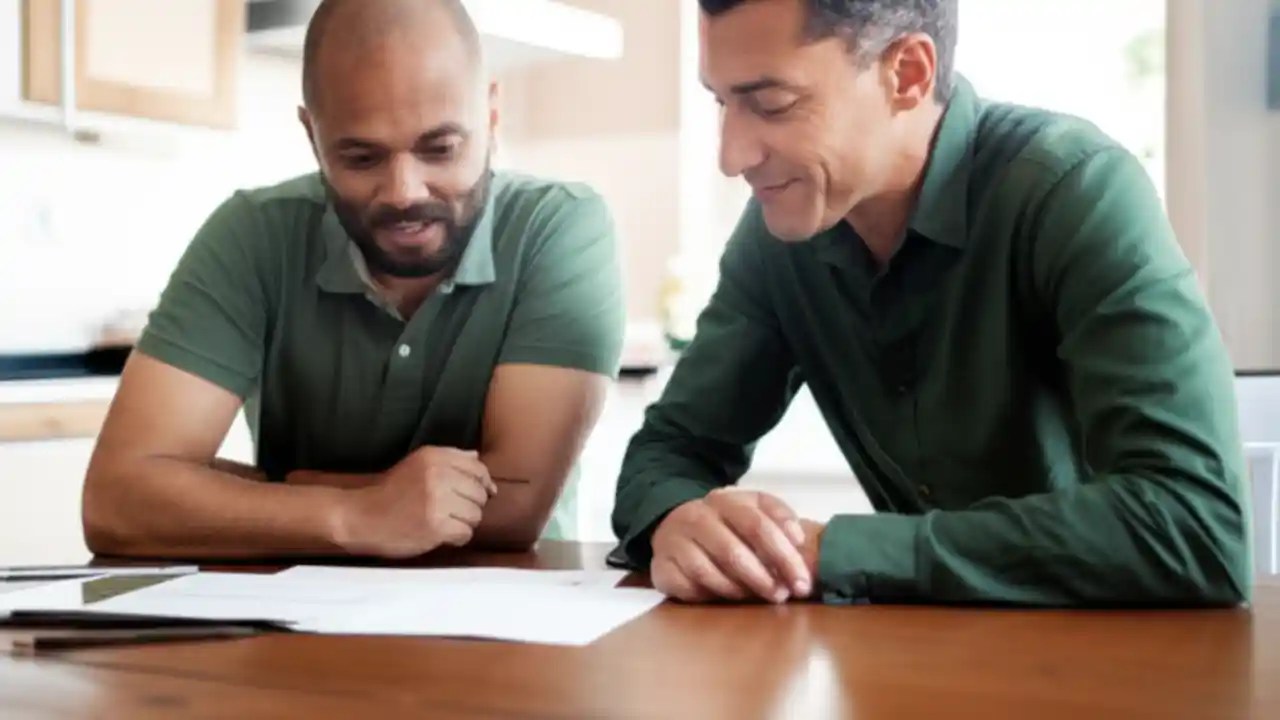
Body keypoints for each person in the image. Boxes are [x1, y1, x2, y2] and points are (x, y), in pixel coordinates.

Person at [610, 0, 1251, 606]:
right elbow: (671, 450)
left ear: (908, 74)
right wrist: (677, 519)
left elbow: (1194, 524)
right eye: (721, 102)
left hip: (1110, 661)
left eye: (772, 104)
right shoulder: (782, 236)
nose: (731, 156)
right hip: (909, 657)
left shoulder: (1074, 189)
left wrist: (832, 552)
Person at [82, 0, 624, 559]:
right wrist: (356, 514)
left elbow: (513, 508)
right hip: (288, 607)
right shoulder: (251, 235)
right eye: (363, 158)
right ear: (312, 136)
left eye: (440, 149)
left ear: (490, 116)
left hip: (512, 605)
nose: (405, 192)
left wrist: (278, 489)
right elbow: (117, 500)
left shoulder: (556, 226)